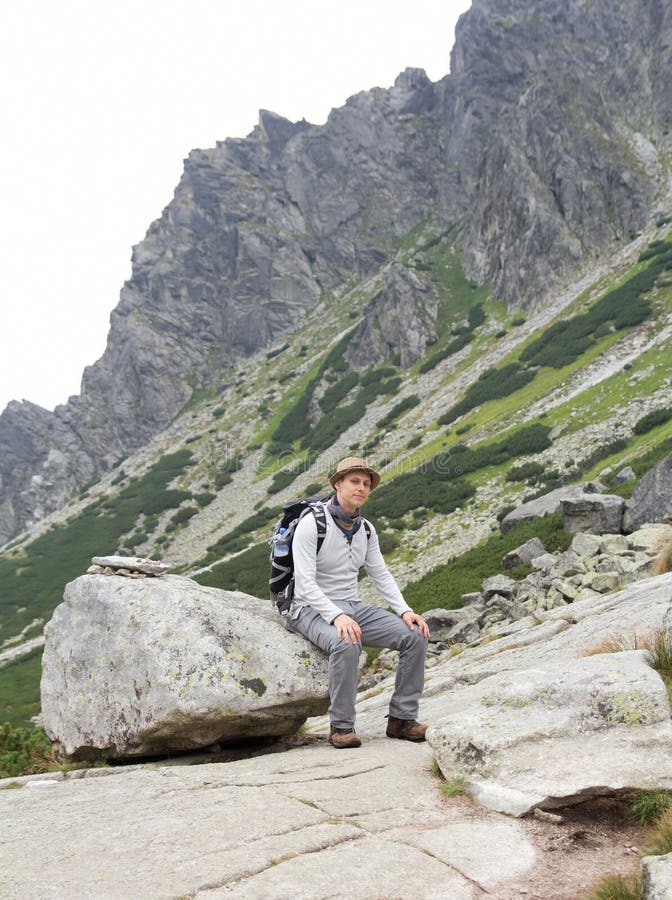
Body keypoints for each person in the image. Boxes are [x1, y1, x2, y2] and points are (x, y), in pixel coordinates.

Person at [288, 456, 429, 749]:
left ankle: (402, 719)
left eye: (366, 484)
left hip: (351, 605)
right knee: (347, 641)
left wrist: (405, 611)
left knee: (415, 635)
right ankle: (341, 726)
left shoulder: (365, 529)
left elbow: (380, 573)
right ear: (338, 484)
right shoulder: (311, 524)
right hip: (308, 608)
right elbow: (304, 583)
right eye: (354, 481)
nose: (362, 488)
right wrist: (336, 616)